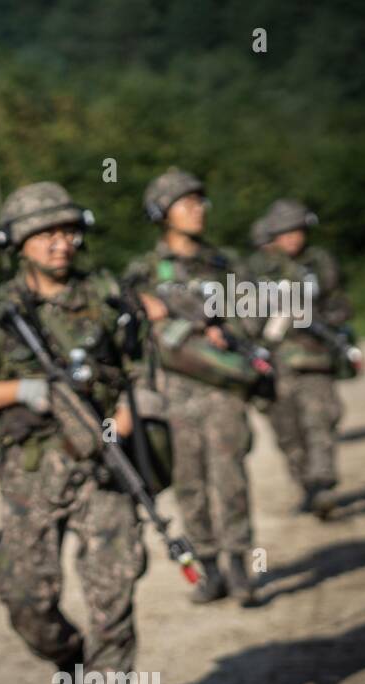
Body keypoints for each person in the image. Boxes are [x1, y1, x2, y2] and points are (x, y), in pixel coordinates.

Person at [0, 182, 148, 684]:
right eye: (45, 234)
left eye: (67, 230)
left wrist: (124, 420)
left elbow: (139, 368)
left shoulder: (107, 295)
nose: (61, 243)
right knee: (25, 599)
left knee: (114, 591)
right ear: (17, 243)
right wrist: (24, 389)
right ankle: (69, 662)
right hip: (30, 475)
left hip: (103, 470)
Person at [125, 168, 260, 606]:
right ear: (162, 214)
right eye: (185, 203)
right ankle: (210, 567)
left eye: (200, 201)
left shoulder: (223, 264)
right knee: (188, 482)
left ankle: (240, 565)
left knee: (230, 476)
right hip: (172, 390)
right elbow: (125, 328)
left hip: (220, 387)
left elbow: (252, 315)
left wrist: (227, 329)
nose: (197, 210)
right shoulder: (143, 272)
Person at [248, 199, 356, 519]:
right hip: (275, 362)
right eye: (285, 232)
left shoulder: (319, 263)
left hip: (313, 357)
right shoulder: (256, 269)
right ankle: (306, 484)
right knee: (288, 430)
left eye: (297, 230)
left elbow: (339, 304)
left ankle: (323, 484)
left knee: (320, 418)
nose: (293, 238)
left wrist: (326, 322)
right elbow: (243, 314)